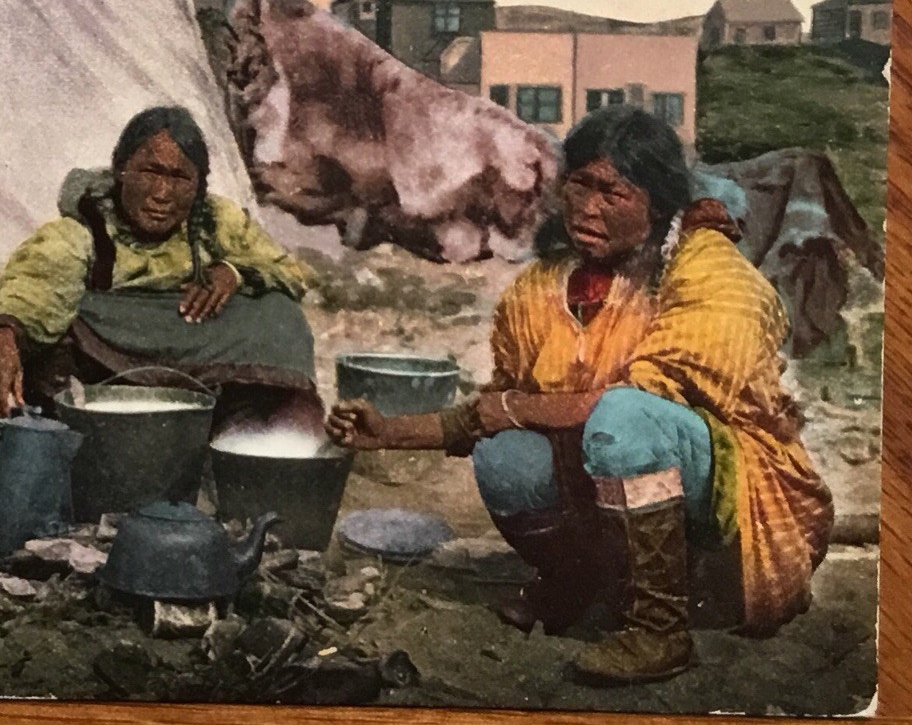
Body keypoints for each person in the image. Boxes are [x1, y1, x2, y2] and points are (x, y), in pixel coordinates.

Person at [327, 105, 832, 685]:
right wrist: (388, 432)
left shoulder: (716, 278)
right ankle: (580, 584)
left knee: (624, 416)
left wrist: (514, 408)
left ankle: (661, 628)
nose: (589, 208)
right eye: (580, 186)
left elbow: (639, 403)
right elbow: (497, 408)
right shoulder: (542, 289)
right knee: (506, 456)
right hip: (624, 502)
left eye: (613, 193)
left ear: (660, 203)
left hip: (734, 524)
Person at [0, 105, 317, 424]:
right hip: (108, 370)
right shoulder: (85, 230)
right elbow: (32, 284)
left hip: (195, 361)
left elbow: (289, 272)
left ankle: (242, 417)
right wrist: (3, 344)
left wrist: (234, 272)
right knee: (61, 330)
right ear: (121, 169)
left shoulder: (215, 222)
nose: (162, 193)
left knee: (279, 313)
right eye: (150, 171)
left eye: (179, 178)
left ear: (198, 186)